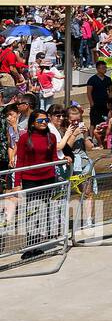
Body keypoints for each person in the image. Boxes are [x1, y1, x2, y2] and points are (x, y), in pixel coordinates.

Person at [14, 109, 61, 260]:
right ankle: (30, 246)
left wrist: (65, 158)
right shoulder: (24, 138)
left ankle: (37, 245)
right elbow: (19, 161)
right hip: (30, 179)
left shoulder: (51, 137)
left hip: (48, 178)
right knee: (31, 212)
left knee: (42, 212)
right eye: (40, 121)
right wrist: (17, 183)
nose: (44, 123)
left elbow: (54, 158)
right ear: (33, 123)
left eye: (46, 120)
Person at [86, 60, 112, 128]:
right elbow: (89, 92)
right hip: (96, 103)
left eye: (105, 68)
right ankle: (91, 137)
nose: (105, 69)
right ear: (98, 69)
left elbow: (110, 91)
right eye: (103, 68)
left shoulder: (108, 79)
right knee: (93, 122)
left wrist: (110, 101)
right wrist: (91, 103)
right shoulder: (92, 79)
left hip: (105, 103)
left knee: (106, 120)